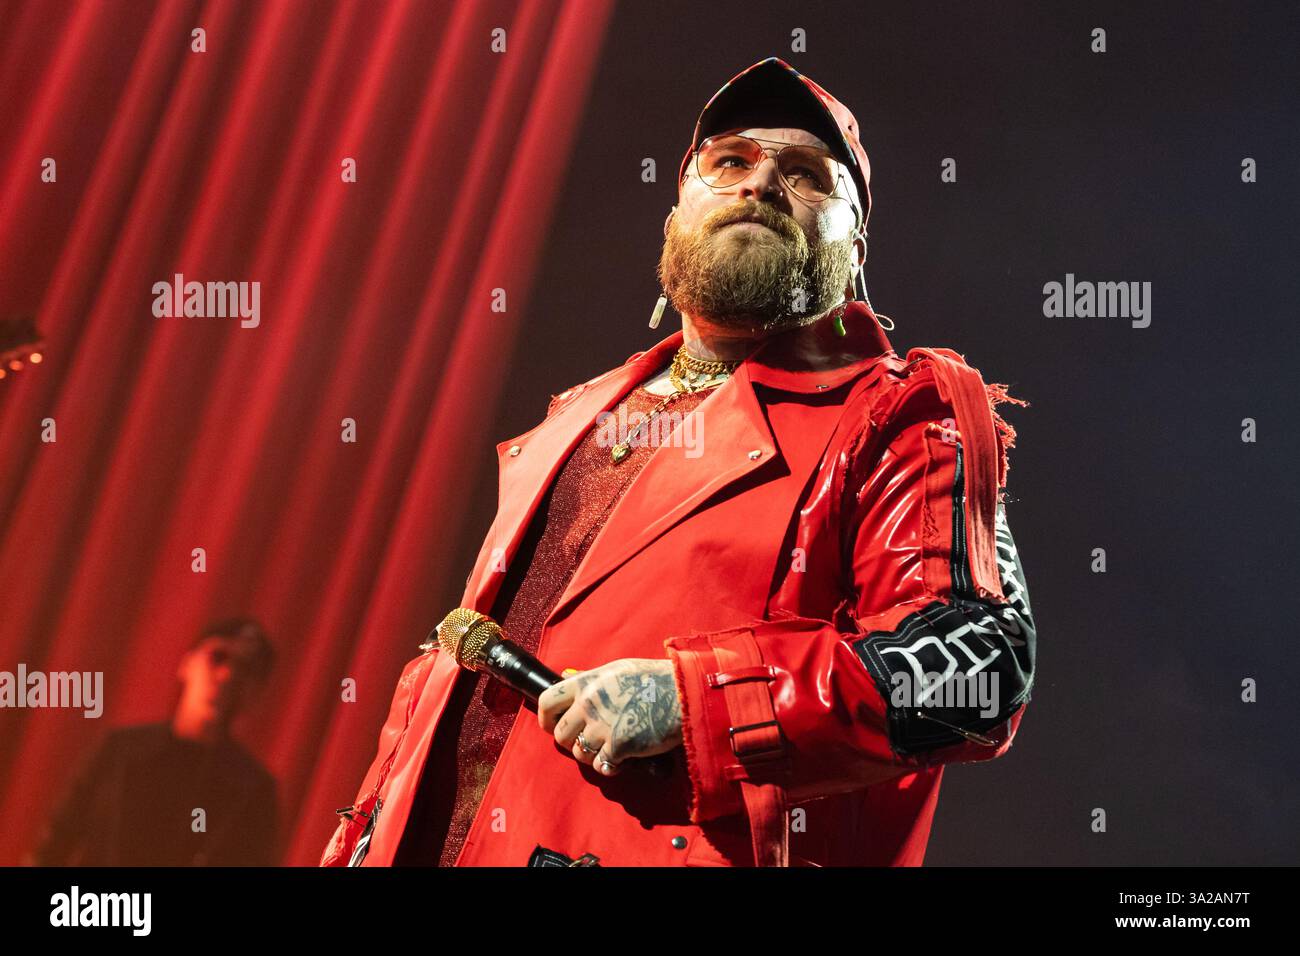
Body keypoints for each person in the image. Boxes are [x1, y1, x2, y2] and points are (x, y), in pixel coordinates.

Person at [323, 56, 1037, 868]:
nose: (759, 183)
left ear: (857, 248)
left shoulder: (900, 413)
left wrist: (698, 700)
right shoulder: (575, 413)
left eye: (806, 175)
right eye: (729, 161)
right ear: (677, 212)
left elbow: (980, 668)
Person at [30, 618, 280, 866]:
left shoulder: (254, 792)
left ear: (256, 692)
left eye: (245, 668)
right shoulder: (119, 749)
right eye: (218, 657)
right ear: (187, 663)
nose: (227, 675)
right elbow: (56, 840)